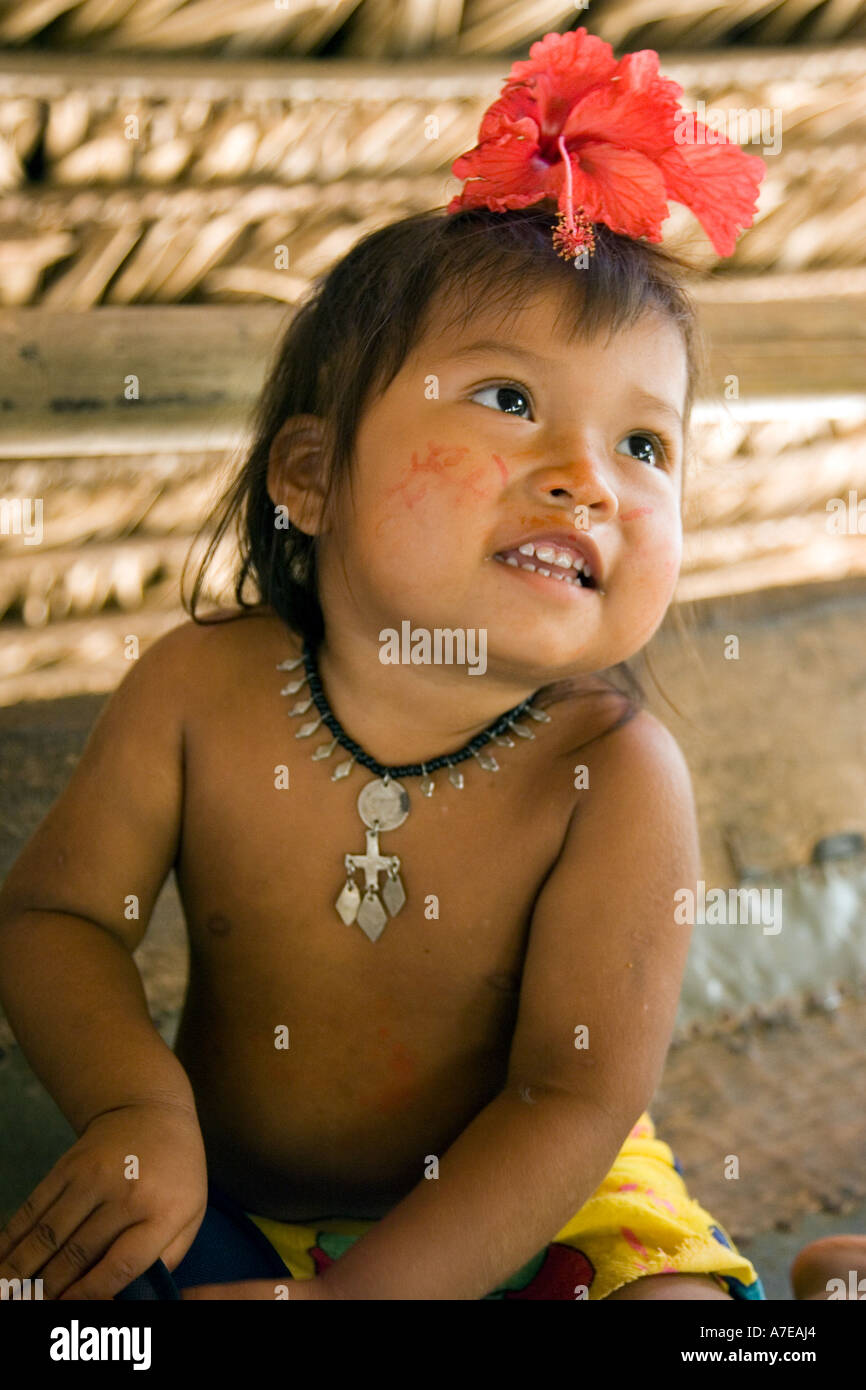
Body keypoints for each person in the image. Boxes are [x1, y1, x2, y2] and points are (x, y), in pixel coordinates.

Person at [0, 26, 860, 1303]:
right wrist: (140, 1113)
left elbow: (571, 1099)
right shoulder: (196, 693)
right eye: (508, 401)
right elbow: (56, 918)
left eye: (645, 445)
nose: (588, 478)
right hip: (229, 1199)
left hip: (540, 1216)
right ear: (310, 477)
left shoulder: (614, 774)